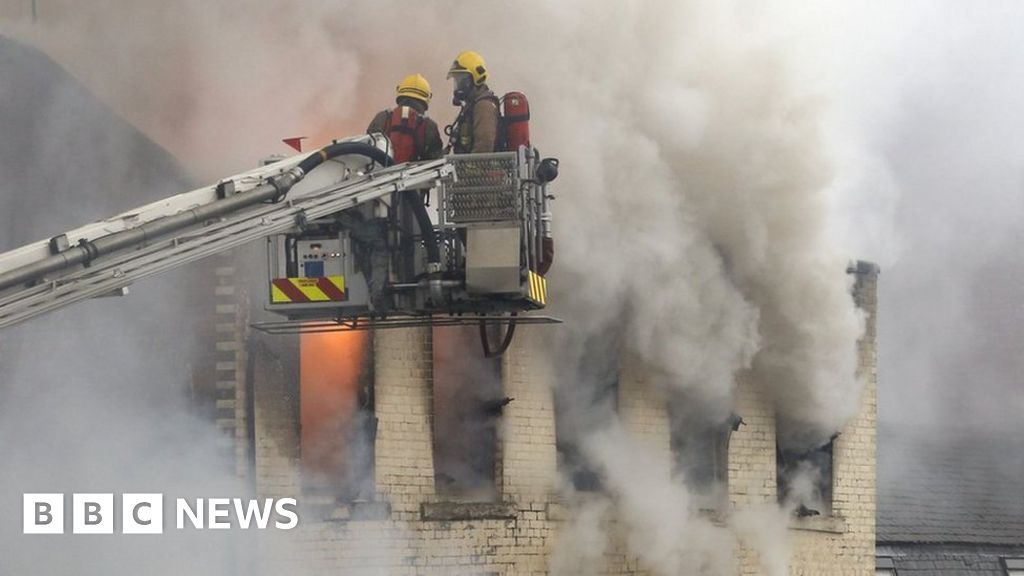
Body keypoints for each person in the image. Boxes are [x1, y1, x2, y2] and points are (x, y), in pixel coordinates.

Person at [367, 73, 443, 163]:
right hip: (418, 176)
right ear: (426, 98)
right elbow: (435, 160)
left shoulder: (383, 117)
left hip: (381, 175)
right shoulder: (430, 126)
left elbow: (367, 149)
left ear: (400, 93)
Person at [446, 51, 500, 154]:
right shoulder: (472, 105)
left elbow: (483, 148)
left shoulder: (483, 106)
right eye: (457, 80)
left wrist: (466, 170)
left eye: (462, 80)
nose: (458, 85)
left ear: (477, 78)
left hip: (480, 169)